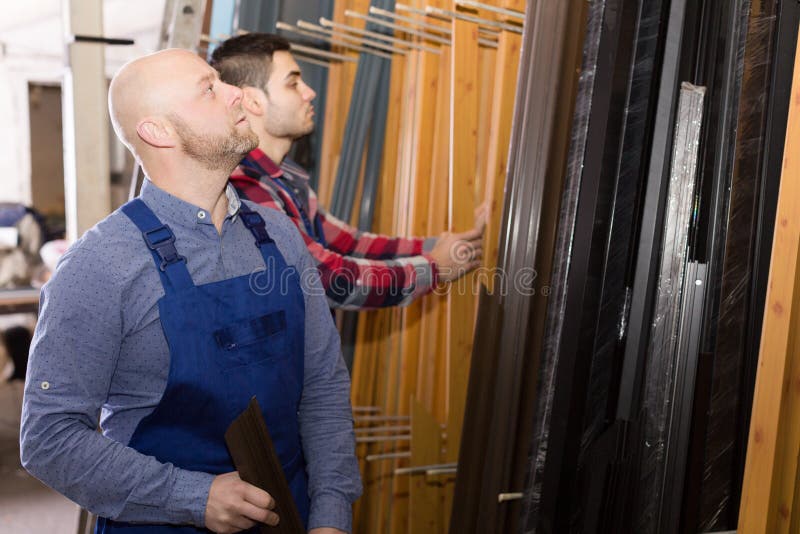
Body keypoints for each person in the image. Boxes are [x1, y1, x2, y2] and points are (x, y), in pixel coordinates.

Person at [20, 48, 360, 534]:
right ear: (158, 131)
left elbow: (323, 386)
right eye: (209, 88)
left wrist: (331, 512)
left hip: (292, 517)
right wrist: (193, 497)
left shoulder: (279, 236)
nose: (236, 93)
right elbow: (48, 439)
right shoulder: (99, 266)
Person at [210, 33, 486, 309]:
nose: (309, 92)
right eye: (293, 83)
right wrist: (435, 266)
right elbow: (325, 278)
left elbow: (348, 243)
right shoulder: (245, 188)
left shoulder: (285, 177)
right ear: (253, 101)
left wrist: (442, 247)